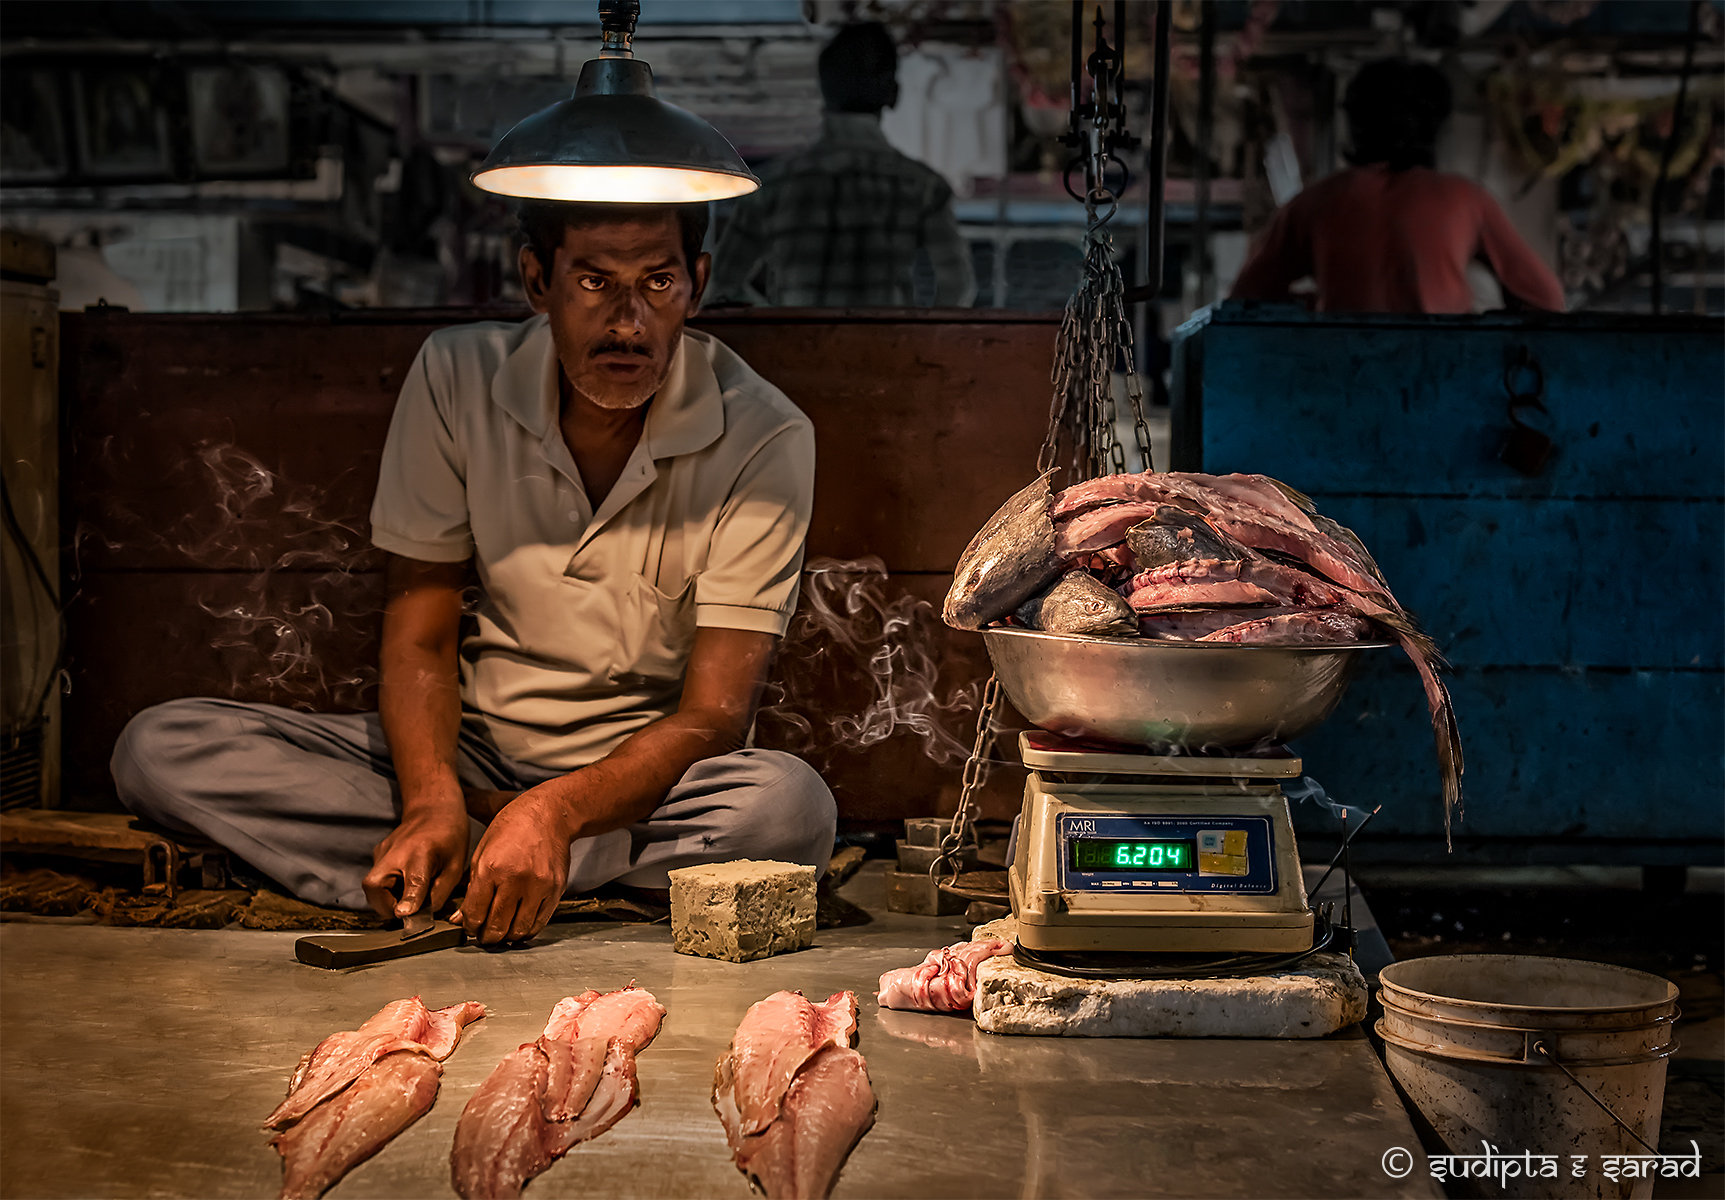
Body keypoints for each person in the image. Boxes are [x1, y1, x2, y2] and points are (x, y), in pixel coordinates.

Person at [111, 200, 836, 945]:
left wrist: (551, 811)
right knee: (161, 748)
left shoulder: (764, 432)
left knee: (786, 809)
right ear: (535, 281)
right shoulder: (458, 376)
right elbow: (419, 637)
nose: (627, 322)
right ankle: (488, 852)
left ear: (698, 283)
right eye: (592, 282)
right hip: (472, 751)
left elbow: (713, 717)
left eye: (657, 283)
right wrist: (431, 797)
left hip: (642, 787)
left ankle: (477, 862)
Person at [1230, 59, 1565, 314]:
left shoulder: (1312, 204)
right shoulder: (1466, 198)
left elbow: (1244, 299)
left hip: (1343, 381)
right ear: (1435, 127)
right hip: (1443, 377)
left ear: (1356, 123)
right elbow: (1547, 299)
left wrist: (1315, 305)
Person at [708, 21, 976, 308]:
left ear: (824, 92)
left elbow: (722, 285)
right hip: (888, 348)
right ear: (893, 94)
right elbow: (957, 287)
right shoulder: (924, 187)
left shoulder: (771, 186)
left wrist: (779, 323)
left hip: (794, 348)